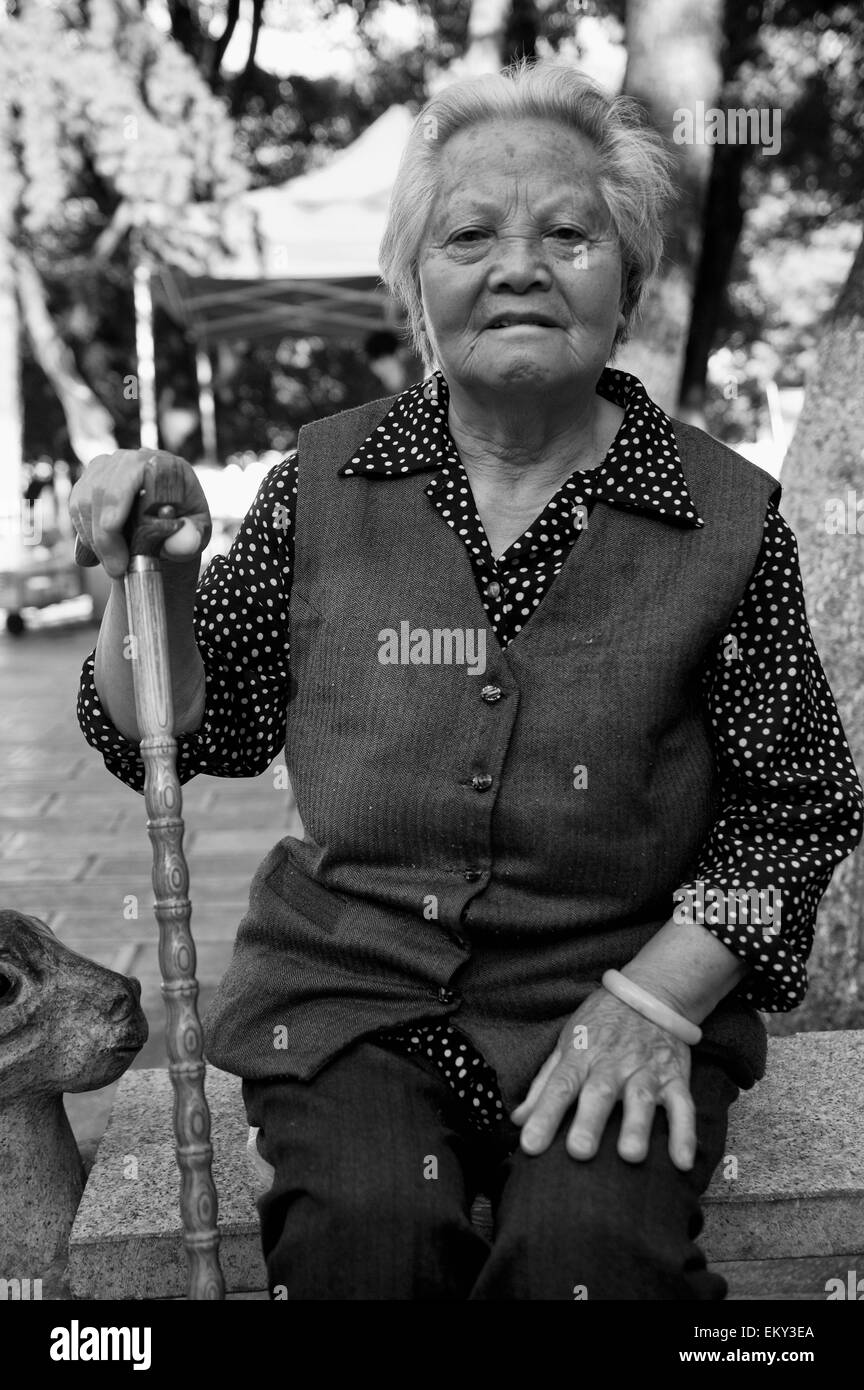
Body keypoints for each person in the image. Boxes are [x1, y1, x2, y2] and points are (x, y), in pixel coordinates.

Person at [71, 62, 863, 1301]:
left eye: (569, 232)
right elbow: (179, 730)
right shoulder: (323, 483)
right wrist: (155, 580)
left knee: (589, 1259)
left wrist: (657, 1003)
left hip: (610, 983)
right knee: (366, 1237)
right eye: (472, 234)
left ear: (628, 278)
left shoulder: (721, 516)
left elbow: (798, 806)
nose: (521, 264)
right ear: (418, 284)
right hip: (351, 996)